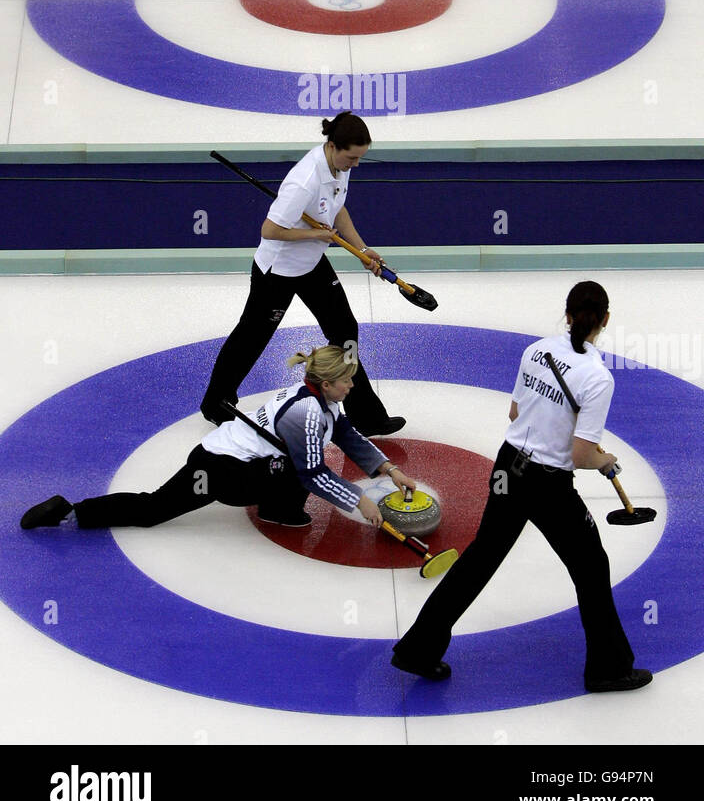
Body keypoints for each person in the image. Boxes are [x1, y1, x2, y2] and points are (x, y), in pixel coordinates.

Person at [391, 281, 653, 693]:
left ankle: (418, 648)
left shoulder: (537, 351)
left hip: (508, 466)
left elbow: (516, 410)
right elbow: (583, 455)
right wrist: (605, 459)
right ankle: (607, 667)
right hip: (548, 484)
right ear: (605, 320)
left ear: (566, 315)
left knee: (481, 557)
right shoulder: (597, 377)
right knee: (591, 567)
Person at [20, 345, 415, 534]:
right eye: (348, 380)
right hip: (220, 471)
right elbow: (313, 473)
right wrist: (358, 499)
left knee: (289, 464)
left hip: (227, 459)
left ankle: (276, 507)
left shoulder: (320, 397)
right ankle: (70, 512)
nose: (352, 385)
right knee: (153, 510)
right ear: (328, 383)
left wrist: (388, 469)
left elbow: (345, 433)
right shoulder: (305, 412)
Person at [200, 112, 405, 436]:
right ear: (334, 146)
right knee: (252, 337)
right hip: (278, 272)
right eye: (352, 157)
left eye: (360, 158)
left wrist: (362, 250)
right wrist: (313, 235)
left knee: (344, 330)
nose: (355, 164)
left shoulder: (339, 167)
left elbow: (338, 207)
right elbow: (269, 230)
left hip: (311, 265)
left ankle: (367, 417)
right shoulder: (304, 180)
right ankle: (215, 402)